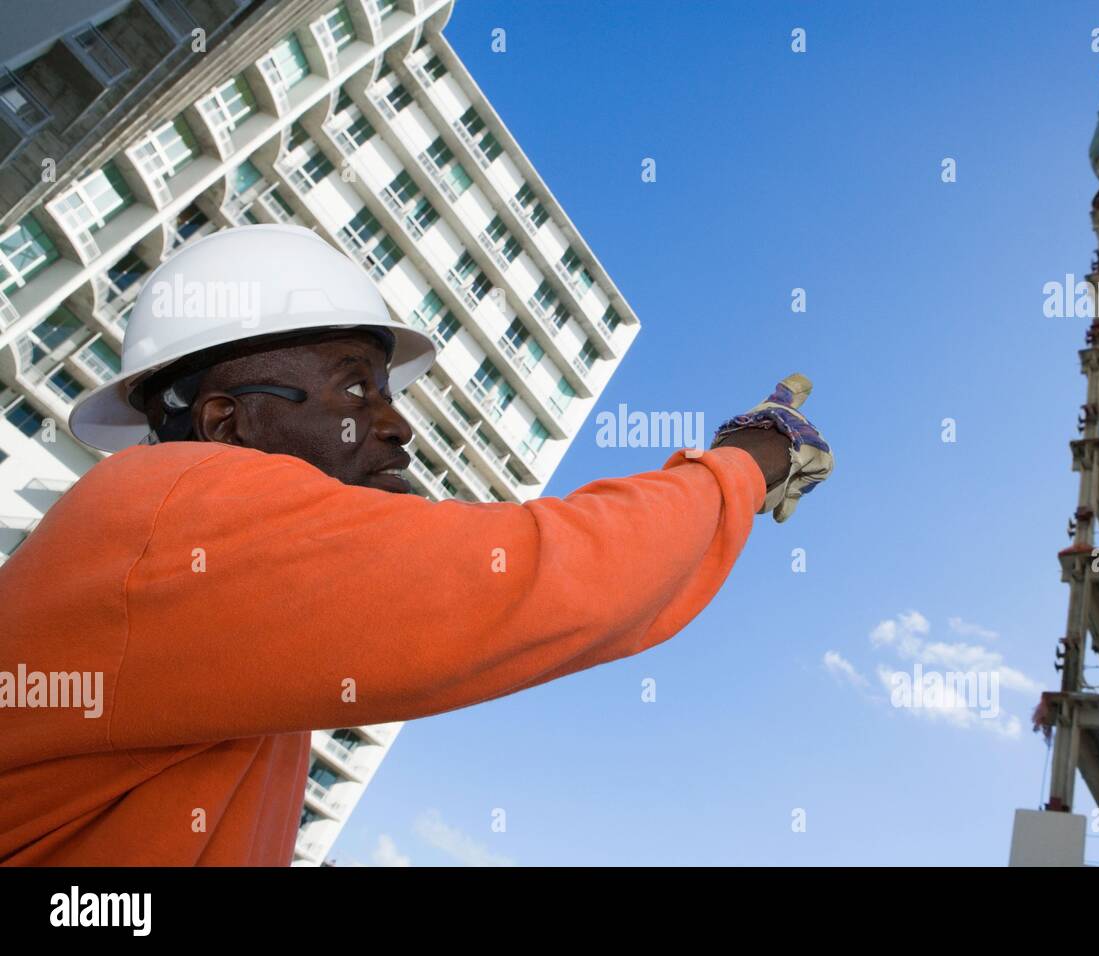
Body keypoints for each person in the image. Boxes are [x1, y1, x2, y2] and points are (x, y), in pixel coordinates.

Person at [0, 225, 832, 865]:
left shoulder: (200, 576)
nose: (396, 424)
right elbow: (558, 576)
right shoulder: (178, 508)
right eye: (356, 387)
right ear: (229, 420)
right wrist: (744, 461)